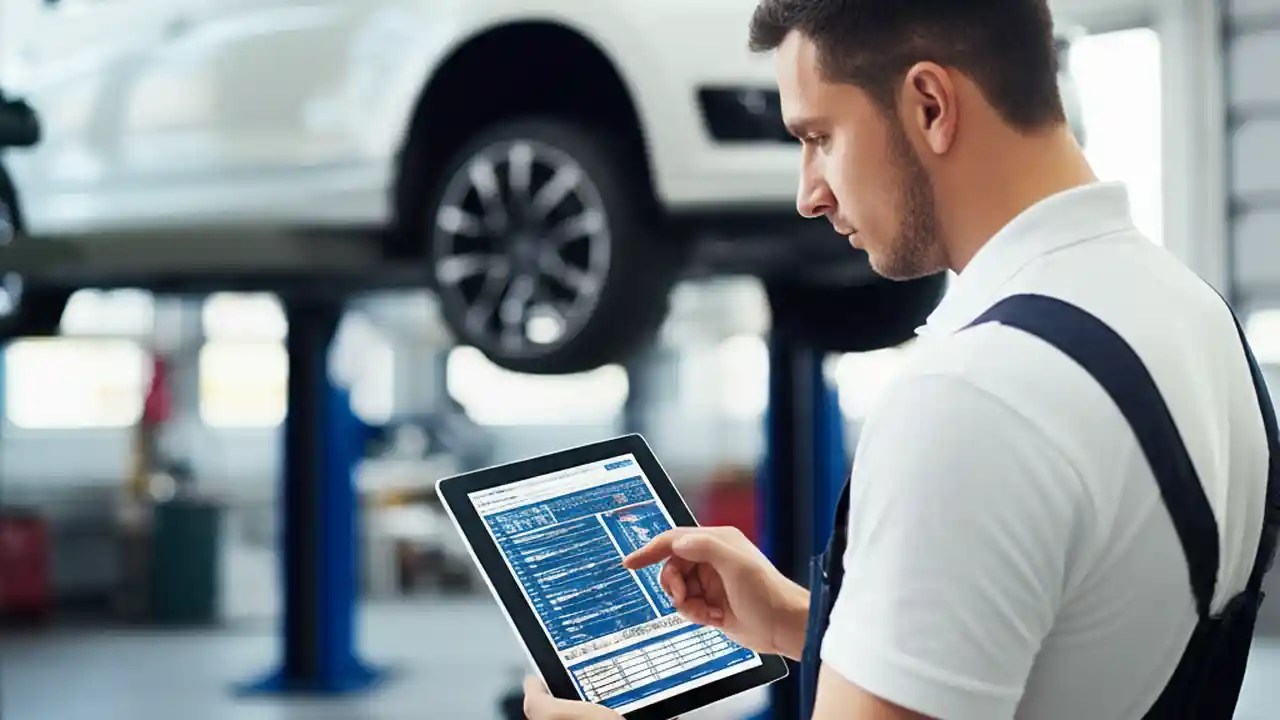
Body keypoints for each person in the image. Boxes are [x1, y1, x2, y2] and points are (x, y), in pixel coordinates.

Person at [523, 1, 1278, 718]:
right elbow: (1078, 638)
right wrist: (799, 619)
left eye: (818, 137)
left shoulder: (971, 399)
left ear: (929, 105)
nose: (807, 195)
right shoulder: (1196, 320)